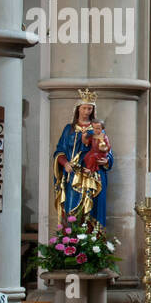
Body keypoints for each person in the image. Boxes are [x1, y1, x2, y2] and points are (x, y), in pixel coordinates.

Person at [53, 91, 113, 226]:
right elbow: (60, 150)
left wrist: (107, 160)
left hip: (94, 173)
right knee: (72, 208)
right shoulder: (69, 129)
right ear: (78, 109)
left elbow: (107, 150)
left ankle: (94, 243)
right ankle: (71, 241)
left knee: (93, 210)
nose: (86, 111)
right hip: (74, 173)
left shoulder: (98, 130)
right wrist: (65, 163)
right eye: (84, 108)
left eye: (89, 108)